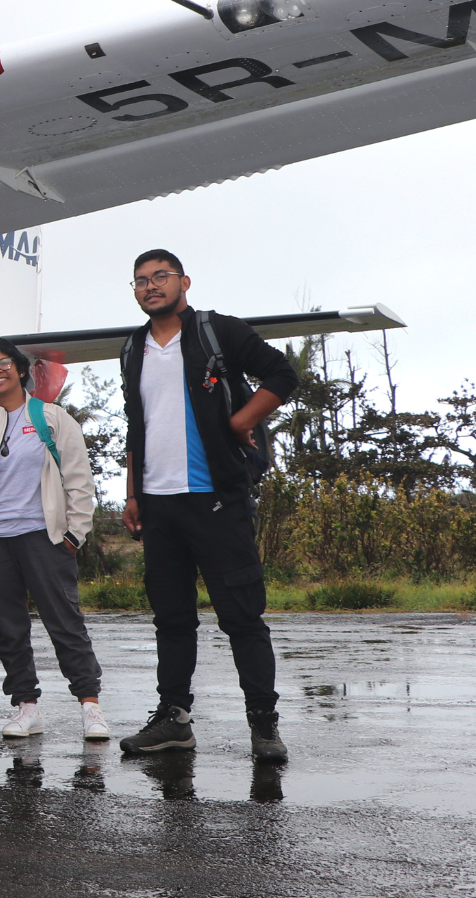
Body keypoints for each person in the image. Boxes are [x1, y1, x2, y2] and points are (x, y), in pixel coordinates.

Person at [115, 250, 297, 762]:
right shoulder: (133, 348)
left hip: (216, 498)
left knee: (242, 616)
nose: (150, 287)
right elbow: (137, 425)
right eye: (140, 281)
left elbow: (282, 374)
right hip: (159, 504)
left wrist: (241, 424)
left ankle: (264, 725)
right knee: (171, 619)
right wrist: (133, 492)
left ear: (183, 282)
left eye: (160, 277)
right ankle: (173, 720)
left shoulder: (219, 331)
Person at [0, 338, 108, 741]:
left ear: (20, 370)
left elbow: (78, 479)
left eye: (3, 364)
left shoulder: (53, 418)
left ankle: (90, 706)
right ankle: (26, 706)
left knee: (64, 622)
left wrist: (75, 532)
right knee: (9, 627)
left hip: (43, 537)